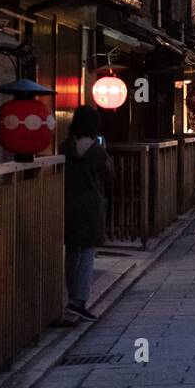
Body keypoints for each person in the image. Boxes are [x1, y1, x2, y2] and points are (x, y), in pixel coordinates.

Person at [62, 105, 112, 322]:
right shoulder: (97, 150)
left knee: (73, 252)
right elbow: (109, 176)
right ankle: (79, 301)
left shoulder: (65, 147)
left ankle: (72, 297)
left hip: (68, 204)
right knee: (88, 253)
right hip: (91, 205)